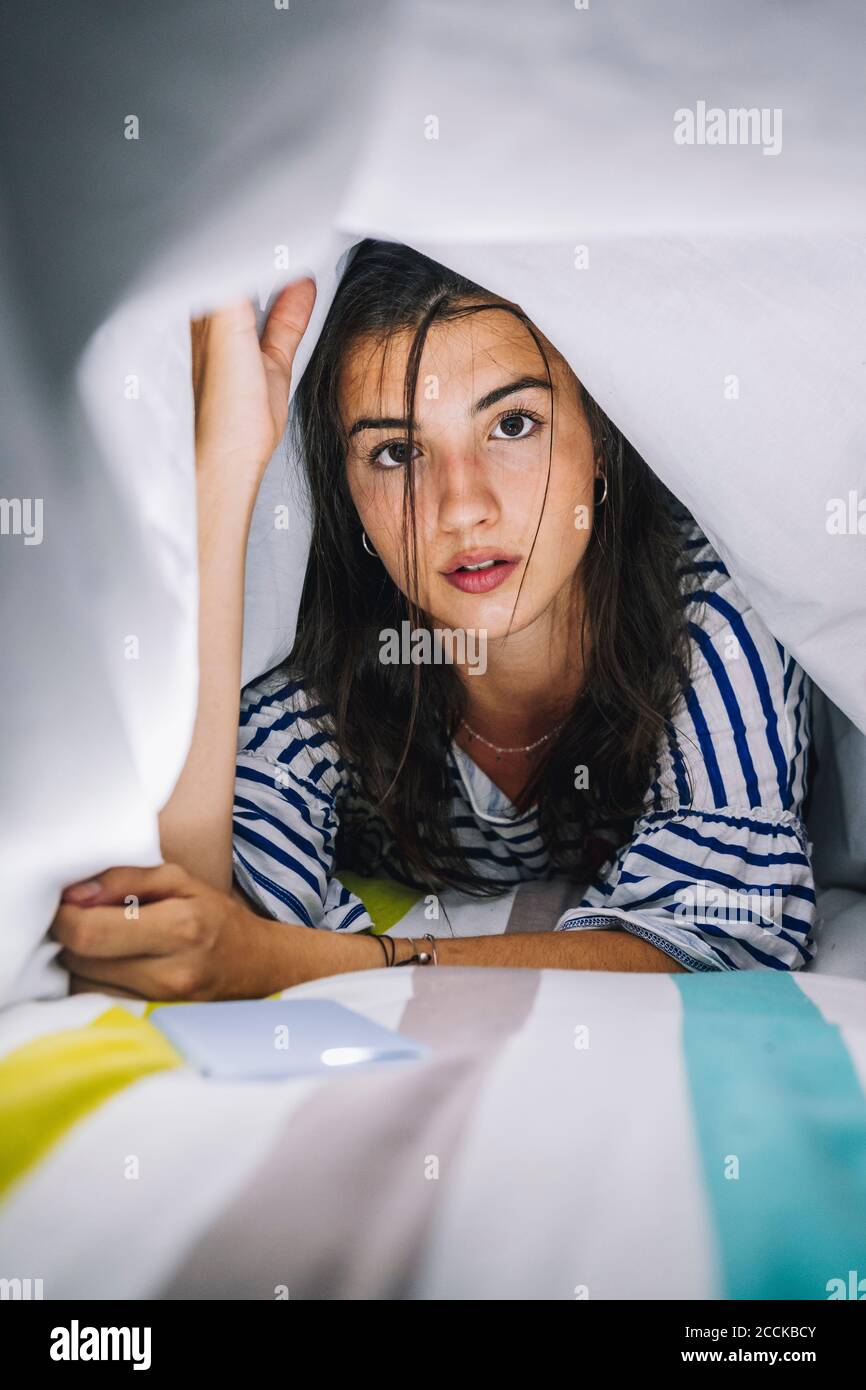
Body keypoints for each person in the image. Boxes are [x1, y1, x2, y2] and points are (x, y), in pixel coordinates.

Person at [52, 240, 816, 999]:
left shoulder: (706, 612)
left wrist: (313, 964)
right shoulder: (326, 665)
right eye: (394, 452)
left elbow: (718, 936)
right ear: (347, 495)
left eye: (513, 425)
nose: (463, 508)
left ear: (602, 449)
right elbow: (188, 921)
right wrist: (222, 474)